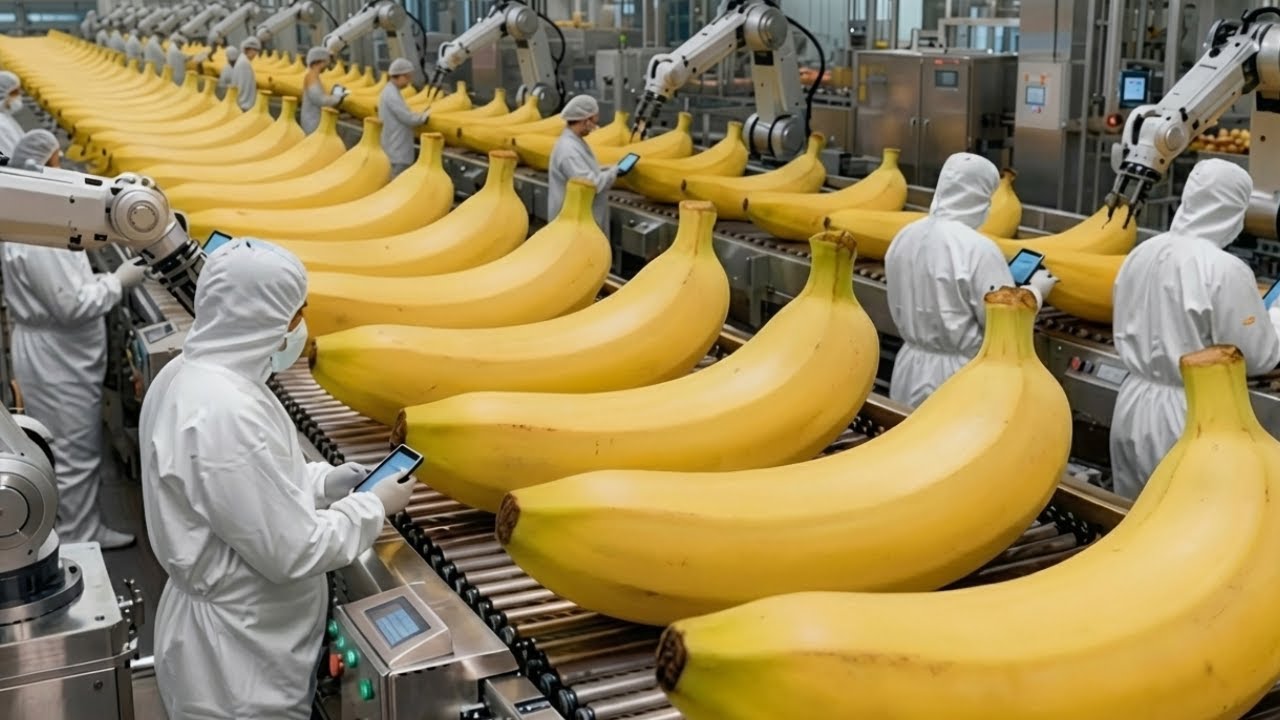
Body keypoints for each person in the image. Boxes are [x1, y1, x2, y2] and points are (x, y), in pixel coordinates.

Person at [139, 238, 415, 719]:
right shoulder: (225, 411)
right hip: (239, 665)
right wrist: (371, 507)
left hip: (234, 636)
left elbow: (236, 493)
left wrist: (322, 483)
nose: (299, 326)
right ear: (260, 319)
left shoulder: (194, 373)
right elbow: (294, 550)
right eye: (294, 313)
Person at [2, 130, 148, 548]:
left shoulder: (29, 214)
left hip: (53, 350)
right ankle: (81, 538)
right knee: (72, 450)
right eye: (57, 159)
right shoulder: (39, 238)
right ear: (43, 166)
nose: (62, 165)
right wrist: (117, 283)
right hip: (58, 356)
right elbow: (71, 304)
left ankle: (82, 527)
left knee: (71, 444)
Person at [1110, 159, 1280, 499]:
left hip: (1131, 404)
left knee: (1131, 521)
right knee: (1185, 523)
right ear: (1235, 209)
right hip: (1191, 414)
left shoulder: (1142, 252)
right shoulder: (1224, 269)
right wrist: (1275, 318)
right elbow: (1257, 357)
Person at [884, 152, 1056, 409]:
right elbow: (1003, 321)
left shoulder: (904, 236)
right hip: (959, 376)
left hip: (909, 367)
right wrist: (1036, 291)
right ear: (980, 199)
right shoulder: (978, 249)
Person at [548, 94, 617, 231]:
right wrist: (614, 173)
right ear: (586, 121)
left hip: (580, 222)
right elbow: (590, 185)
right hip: (574, 227)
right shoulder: (568, 150)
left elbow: (582, 170)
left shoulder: (575, 142)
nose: (594, 127)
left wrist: (603, 169)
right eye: (594, 122)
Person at [378, 57, 429, 177]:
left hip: (394, 149)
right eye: (408, 77)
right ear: (400, 76)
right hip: (397, 152)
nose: (409, 82)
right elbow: (407, 118)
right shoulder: (391, 94)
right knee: (397, 186)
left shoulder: (390, 91)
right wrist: (423, 117)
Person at [300, 46, 345, 134]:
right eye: (326, 62)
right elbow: (320, 100)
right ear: (321, 61)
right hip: (313, 124)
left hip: (312, 121)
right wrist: (337, 96)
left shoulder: (311, 76)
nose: (327, 66)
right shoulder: (312, 77)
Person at [230, 37, 261, 111]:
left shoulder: (242, 60)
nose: (256, 54)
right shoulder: (244, 63)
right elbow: (244, 88)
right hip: (245, 106)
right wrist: (245, 106)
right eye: (255, 50)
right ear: (248, 49)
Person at [0, 71, 25, 156]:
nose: (19, 96)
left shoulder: (5, 118)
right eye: (15, 93)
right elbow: (12, 159)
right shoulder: (2, 125)